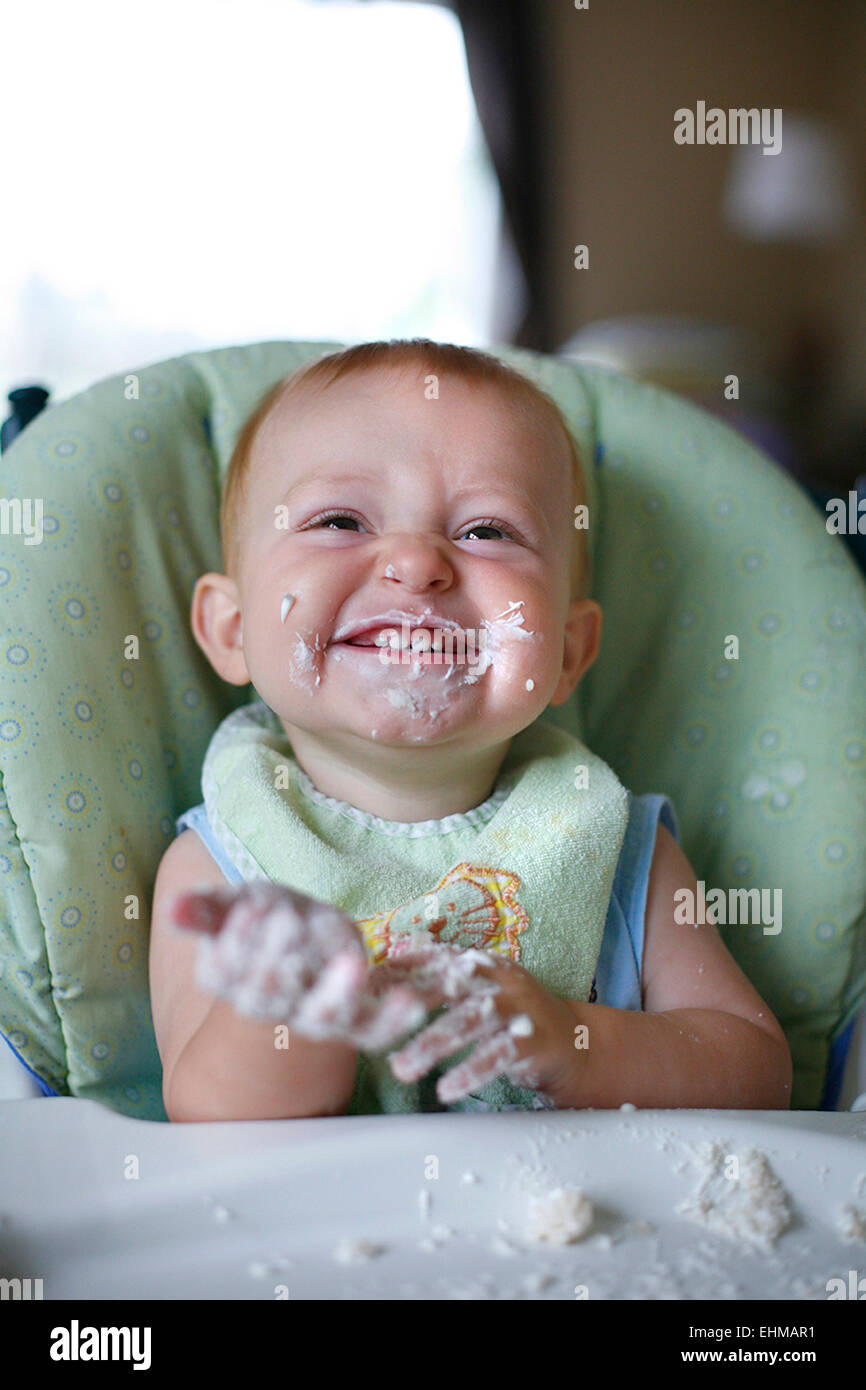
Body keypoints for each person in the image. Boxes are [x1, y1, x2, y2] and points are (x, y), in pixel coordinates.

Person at [149, 338, 791, 1122]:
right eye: (341, 520)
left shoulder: (616, 847)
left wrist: (580, 1042)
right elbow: (205, 1117)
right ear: (232, 628)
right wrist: (294, 1007)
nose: (418, 563)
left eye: (487, 531)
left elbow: (754, 1070)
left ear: (566, 652)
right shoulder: (220, 868)